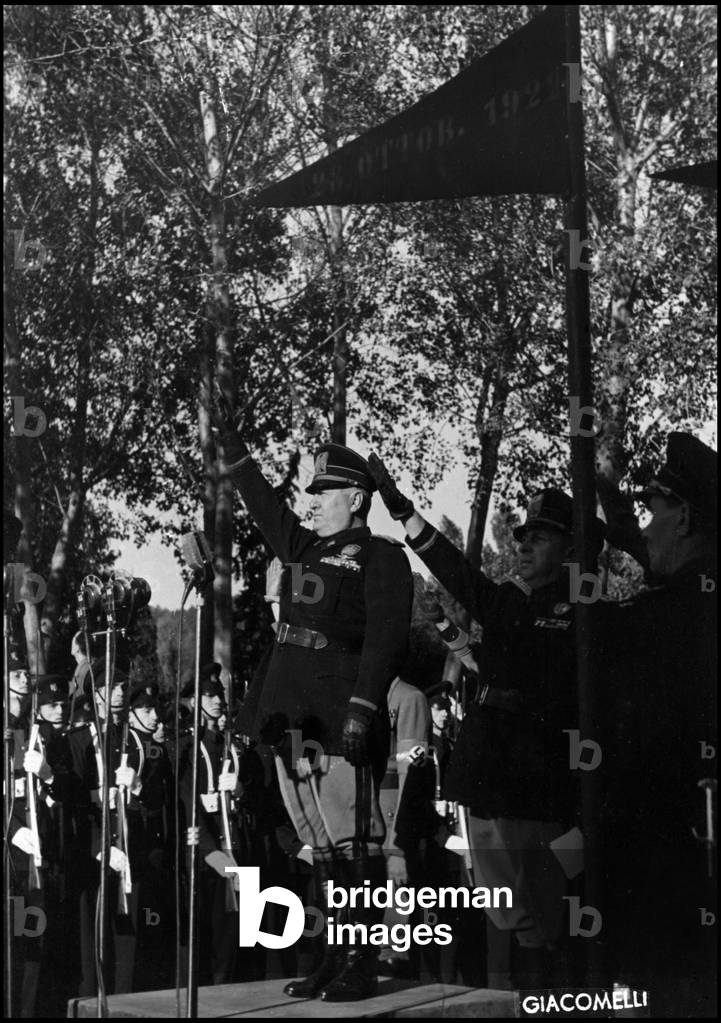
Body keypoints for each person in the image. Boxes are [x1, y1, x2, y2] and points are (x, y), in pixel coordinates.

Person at [369, 454, 605, 987]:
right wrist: (402, 510)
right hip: (486, 774)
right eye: (520, 537)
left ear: (571, 549)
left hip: (539, 782)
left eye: (539, 538)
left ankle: (553, 996)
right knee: (508, 912)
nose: (521, 546)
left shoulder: (583, 608)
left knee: (549, 915)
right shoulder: (508, 603)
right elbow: (456, 570)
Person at [213, 414, 414, 1002]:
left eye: (323, 493)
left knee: (354, 840)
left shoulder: (380, 556)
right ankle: (333, 954)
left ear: (357, 497)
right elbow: (265, 510)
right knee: (319, 844)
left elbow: (386, 638)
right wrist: (237, 452)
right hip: (290, 714)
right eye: (311, 493)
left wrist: (362, 706)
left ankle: (361, 960)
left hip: (335, 712)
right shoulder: (303, 547)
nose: (311, 502)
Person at [597, 432, 717, 1017]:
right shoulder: (686, 602)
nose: (643, 530)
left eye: (653, 513)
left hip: (674, 871)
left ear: (687, 516)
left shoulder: (663, 620)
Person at [178, 665, 243, 986]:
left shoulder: (232, 746)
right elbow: (189, 803)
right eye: (209, 695)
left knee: (234, 942)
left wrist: (240, 789)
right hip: (210, 858)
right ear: (193, 702)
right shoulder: (188, 748)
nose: (217, 700)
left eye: (219, 695)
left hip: (237, 851)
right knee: (206, 942)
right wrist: (212, 853)